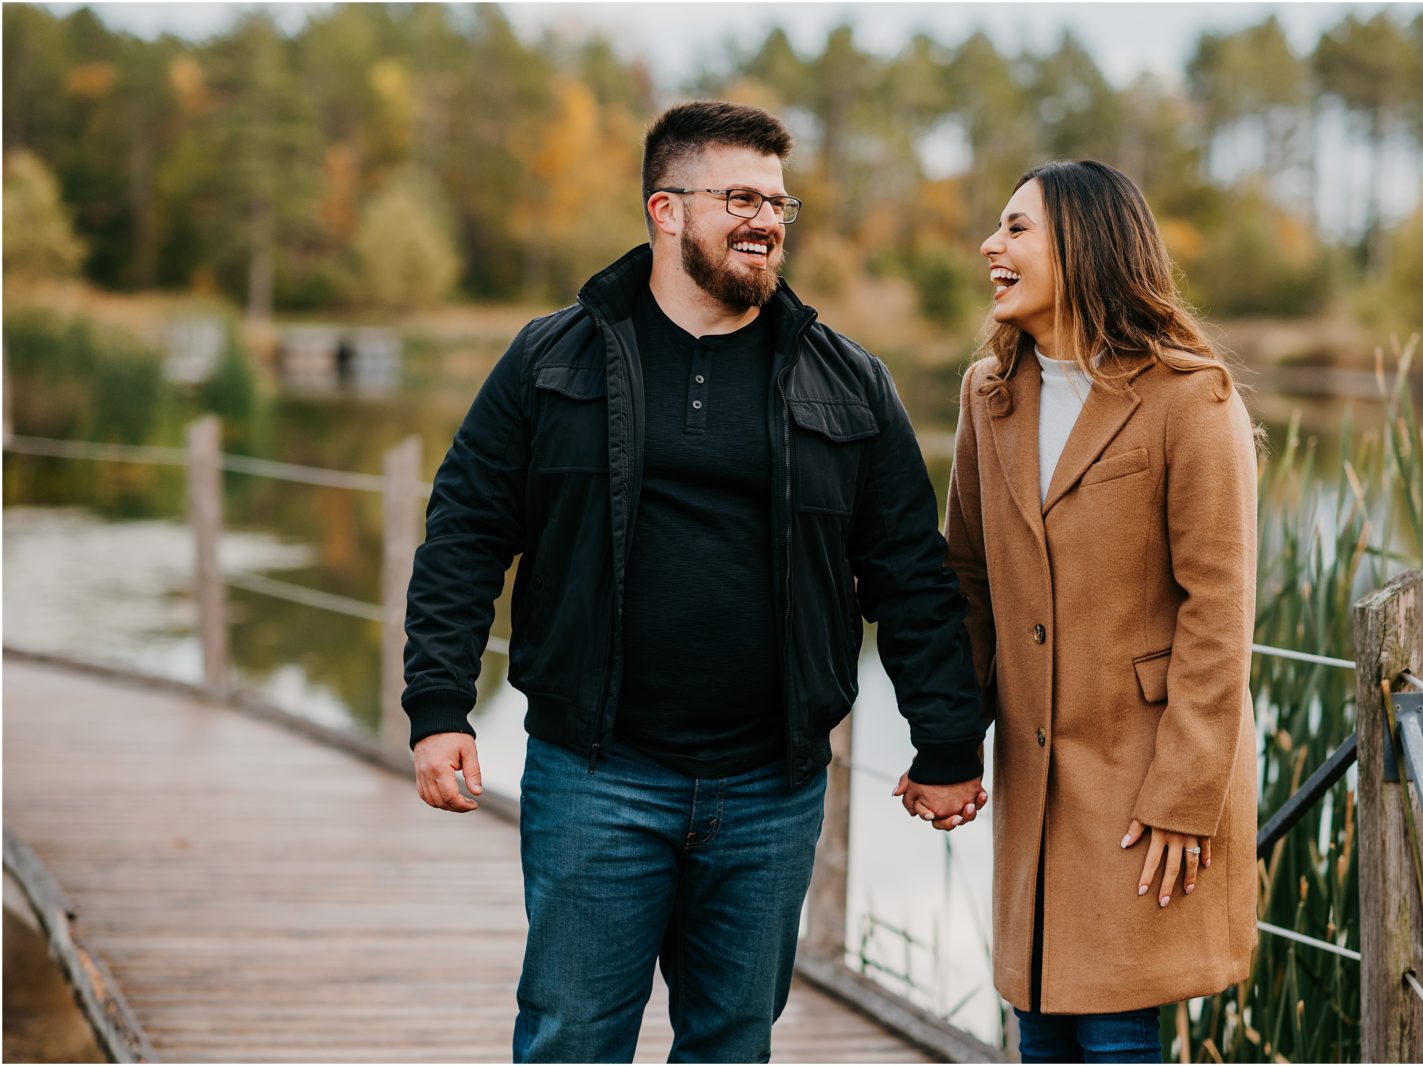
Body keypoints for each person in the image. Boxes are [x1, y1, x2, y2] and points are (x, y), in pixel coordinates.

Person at [399, 100, 988, 1064]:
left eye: (781, 203)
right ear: (665, 209)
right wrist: (439, 709)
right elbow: (465, 534)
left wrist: (948, 737)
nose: (767, 221)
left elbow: (911, 576)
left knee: (731, 1044)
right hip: (597, 777)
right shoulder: (551, 360)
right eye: (742, 197)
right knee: (571, 1041)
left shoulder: (849, 382)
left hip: (772, 788)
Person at [934, 160, 1260, 1063]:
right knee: (1037, 1026)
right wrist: (947, 742)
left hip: (1147, 783)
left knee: (1118, 1033)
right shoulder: (987, 395)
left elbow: (1219, 611)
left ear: (1084, 245)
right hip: (1034, 780)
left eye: (1015, 229)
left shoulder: (1192, 397)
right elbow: (964, 579)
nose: (991, 248)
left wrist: (1186, 799)